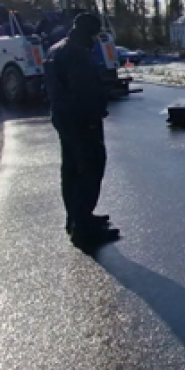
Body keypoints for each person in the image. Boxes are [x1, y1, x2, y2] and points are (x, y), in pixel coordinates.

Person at [44, 13, 119, 249]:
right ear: (90, 33)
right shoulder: (77, 54)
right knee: (90, 169)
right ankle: (83, 228)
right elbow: (84, 90)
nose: (96, 40)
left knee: (71, 170)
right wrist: (94, 115)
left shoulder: (56, 49)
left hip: (63, 117)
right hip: (82, 120)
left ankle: (76, 218)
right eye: (95, 35)